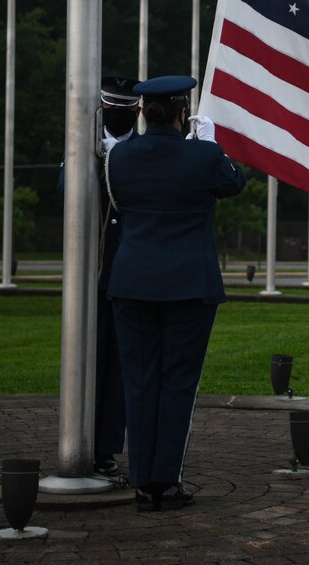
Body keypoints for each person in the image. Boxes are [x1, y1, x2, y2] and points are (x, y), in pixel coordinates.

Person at [105, 75, 246, 511]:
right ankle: (166, 480)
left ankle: (142, 482)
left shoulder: (119, 157)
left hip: (133, 282)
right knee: (178, 384)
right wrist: (212, 145)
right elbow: (234, 183)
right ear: (183, 113)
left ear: (143, 113)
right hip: (189, 284)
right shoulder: (204, 156)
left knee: (139, 383)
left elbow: (119, 204)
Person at [91, 76, 139, 476]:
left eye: (128, 109)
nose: (121, 115)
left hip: (131, 273)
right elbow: (66, 193)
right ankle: (82, 440)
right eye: (114, 108)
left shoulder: (144, 151)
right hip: (92, 274)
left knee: (120, 368)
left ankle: (106, 448)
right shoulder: (84, 146)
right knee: (88, 363)